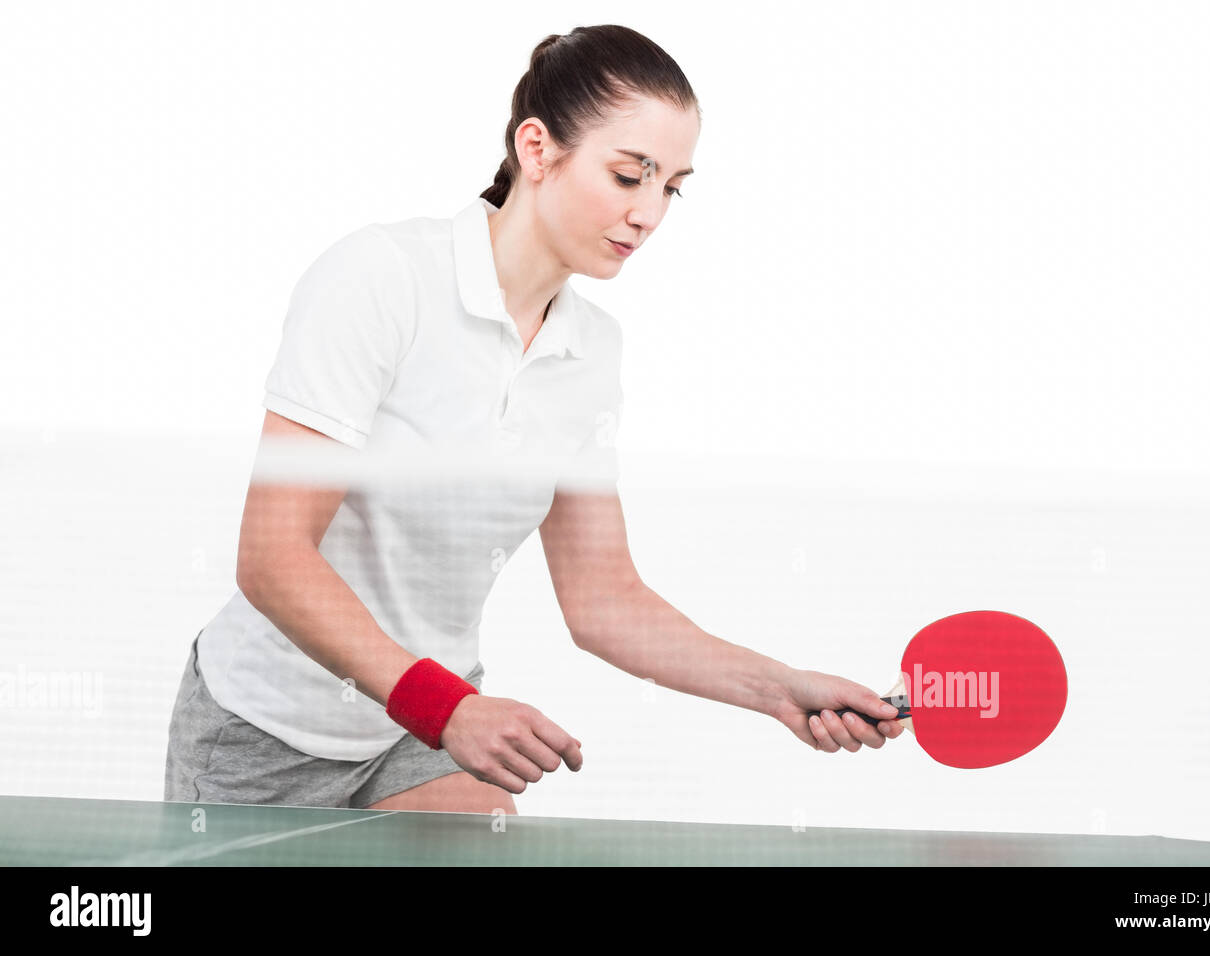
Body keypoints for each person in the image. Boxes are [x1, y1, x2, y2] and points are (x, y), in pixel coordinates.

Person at [163, 24, 902, 815]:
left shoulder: (592, 352)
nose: (649, 213)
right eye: (629, 175)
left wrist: (780, 690)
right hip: (268, 732)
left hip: (419, 736)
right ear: (538, 148)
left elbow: (604, 599)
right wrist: (446, 709)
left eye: (672, 187)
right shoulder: (380, 279)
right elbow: (271, 556)